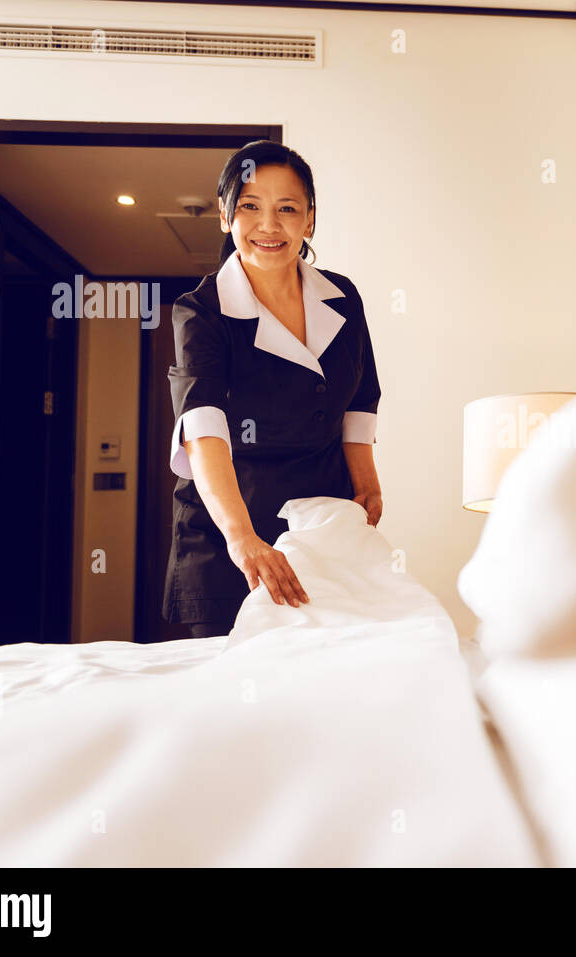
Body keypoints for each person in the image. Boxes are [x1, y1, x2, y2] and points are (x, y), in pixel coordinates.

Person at [161, 140, 382, 639]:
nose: (269, 225)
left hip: (323, 525)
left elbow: (361, 396)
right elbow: (203, 430)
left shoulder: (342, 298)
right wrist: (244, 540)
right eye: (249, 206)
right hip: (231, 537)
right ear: (224, 214)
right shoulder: (202, 312)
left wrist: (365, 482)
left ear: (309, 220)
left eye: (287, 208)